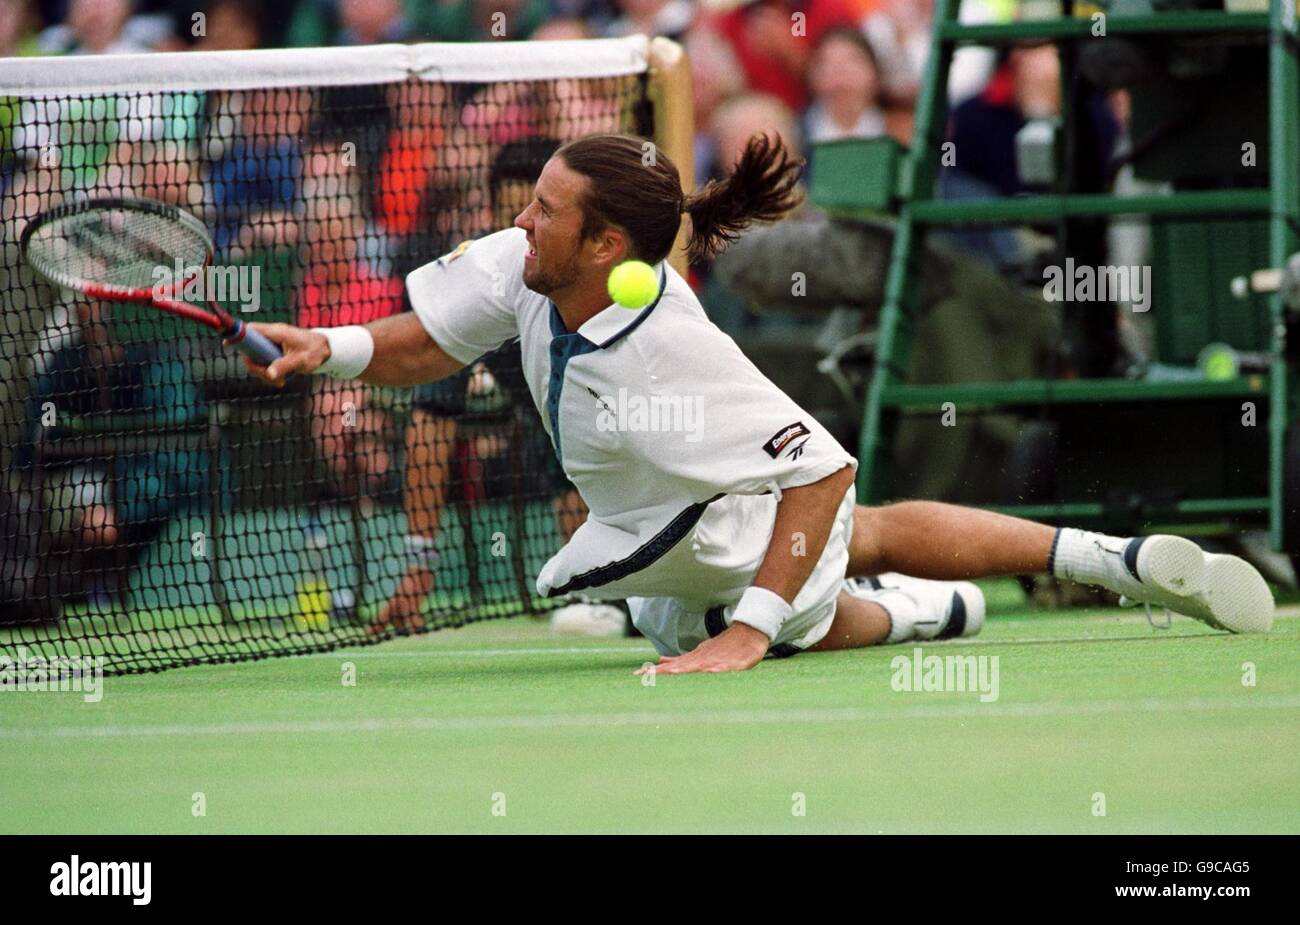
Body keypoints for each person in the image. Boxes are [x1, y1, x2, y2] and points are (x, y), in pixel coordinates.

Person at [237, 132, 1275, 674]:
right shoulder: (529, 260)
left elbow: (822, 467)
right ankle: (1111, 562)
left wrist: (751, 632)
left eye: (546, 208)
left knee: (815, 596)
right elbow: (428, 344)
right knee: (861, 537)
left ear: (605, 247)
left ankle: (934, 610)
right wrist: (326, 347)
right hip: (658, 545)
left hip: (731, 548)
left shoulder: (670, 351)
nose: (523, 219)